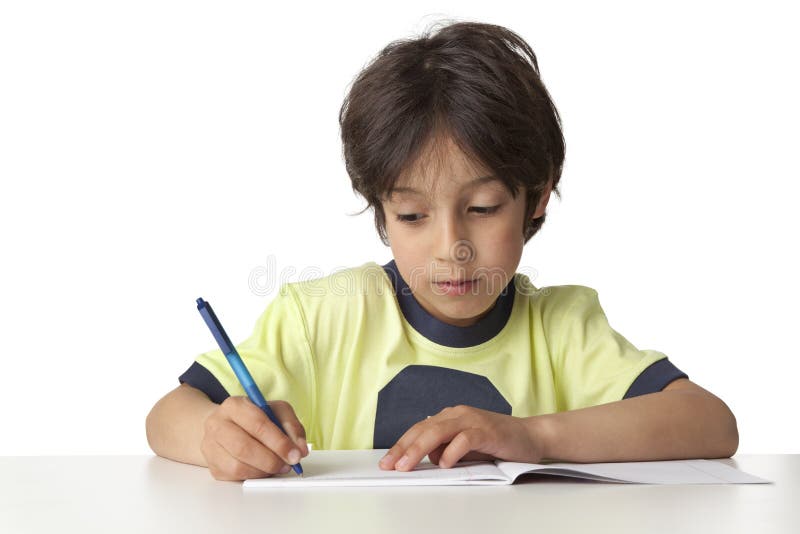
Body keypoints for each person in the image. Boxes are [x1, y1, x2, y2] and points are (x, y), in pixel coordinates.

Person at [145, 20, 738, 481]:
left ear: (537, 197)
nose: (452, 248)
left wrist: (534, 437)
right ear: (381, 212)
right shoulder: (321, 318)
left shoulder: (563, 330)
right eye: (411, 216)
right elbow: (169, 414)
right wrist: (215, 436)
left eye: (482, 208)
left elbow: (711, 423)